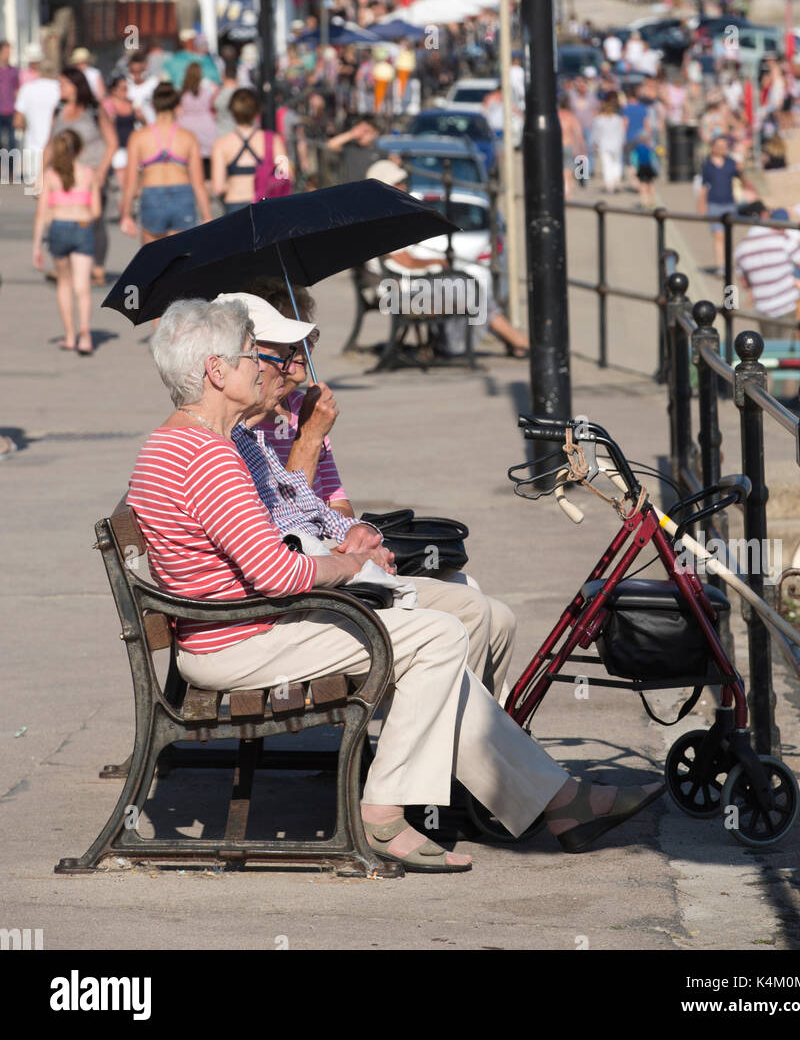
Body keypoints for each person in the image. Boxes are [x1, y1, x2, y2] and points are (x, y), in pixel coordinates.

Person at [127, 296, 664, 871]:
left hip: (244, 627)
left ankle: (554, 800)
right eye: (246, 358)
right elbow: (279, 574)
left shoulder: (188, 443)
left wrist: (345, 552)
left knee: (445, 625)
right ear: (215, 371)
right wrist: (349, 567)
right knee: (435, 637)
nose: (260, 369)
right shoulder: (206, 456)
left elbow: (281, 547)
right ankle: (387, 813)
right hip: (237, 642)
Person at [235, 283, 517, 700]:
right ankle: (463, 740)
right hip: (294, 602)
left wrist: (355, 534)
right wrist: (310, 439)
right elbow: (286, 528)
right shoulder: (244, 434)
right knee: (470, 608)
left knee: (483, 604)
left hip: (321, 567)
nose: (300, 361)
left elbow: (329, 505)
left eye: (306, 343)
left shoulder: (296, 411)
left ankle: (490, 734)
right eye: (289, 350)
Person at [366, 159, 530, 358]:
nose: (404, 187)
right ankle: (509, 342)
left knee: (469, 288)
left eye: (403, 182)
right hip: (401, 292)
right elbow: (405, 262)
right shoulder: (381, 222)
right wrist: (434, 263)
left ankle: (514, 342)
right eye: (397, 183)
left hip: (401, 286)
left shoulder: (376, 218)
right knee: (470, 290)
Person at [45, 68, 116, 288]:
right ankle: (64, 263)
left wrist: (102, 171)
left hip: (92, 174)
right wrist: (40, 173)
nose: (60, 87)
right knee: (60, 216)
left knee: (94, 220)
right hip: (65, 174)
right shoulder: (58, 109)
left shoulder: (94, 109)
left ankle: (98, 268)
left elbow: (112, 142)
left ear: (76, 85)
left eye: (64, 83)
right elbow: (50, 144)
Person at [32, 129, 100, 354]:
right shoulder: (89, 173)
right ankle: (85, 335)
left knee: (64, 282)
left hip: (58, 228)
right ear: (80, 149)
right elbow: (96, 211)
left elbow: (41, 213)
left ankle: (70, 335)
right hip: (82, 227)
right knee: (82, 286)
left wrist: (36, 247)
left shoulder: (50, 176)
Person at [120, 82, 211, 243]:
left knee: (152, 259)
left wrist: (126, 215)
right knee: (182, 258)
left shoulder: (138, 137)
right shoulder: (188, 137)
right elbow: (198, 182)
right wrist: (207, 215)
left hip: (152, 195)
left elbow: (131, 182)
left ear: (154, 106)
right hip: (182, 194)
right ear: (177, 107)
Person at [211, 88, 291, 213]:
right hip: (265, 202)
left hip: (234, 203)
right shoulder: (273, 140)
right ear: (257, 111)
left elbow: (217, 187)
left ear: (232, 111)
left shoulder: (221, 144)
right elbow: (287, 173)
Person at [733, 201, 800, 338]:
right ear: (765, 215)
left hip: (763, 306)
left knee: (770, 348)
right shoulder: (782, 239)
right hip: (787, 302)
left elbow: (744, 283)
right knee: (788, 353)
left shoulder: (741, 250)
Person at [697, 134, 752, 274]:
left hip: (729, 203)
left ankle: (727, 263)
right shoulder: (707, 165)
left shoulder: (731, 162)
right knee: (718, 234)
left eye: (724, 146)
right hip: (714, 203)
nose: (722, 149)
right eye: (719, 146)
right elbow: (704, 187)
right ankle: (721, 265)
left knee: (727, 235)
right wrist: (701, 206)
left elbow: (742, 181)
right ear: (713, 148)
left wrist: (741, 171)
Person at [176, 62, 218, 181]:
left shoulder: (183, 92)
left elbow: (179, 111)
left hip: (187, 127)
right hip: (207, 127)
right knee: (207, 166)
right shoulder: (207, 89)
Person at [101, 74, 141, 195]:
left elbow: (143, 121)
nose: (125, 92)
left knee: (134, 181)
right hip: (116, 148)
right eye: (122, 88)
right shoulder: (107, 104)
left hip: (131, 147)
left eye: (126, 88)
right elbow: (106, 126)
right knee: (122, 183)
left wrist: (139, 113)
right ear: (114, 90)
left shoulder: (131, 104)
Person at [15, 55, 60, 159]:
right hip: (56, 148)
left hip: (32, 147)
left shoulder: (26, 89)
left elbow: (17, 122)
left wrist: (31, 129)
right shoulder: (61, 89)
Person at [590, 93, 627, 194]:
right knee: (617, 163)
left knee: (607, 165)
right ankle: (616, 180)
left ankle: (609, 185)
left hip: (604, 145)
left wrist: (595, 143)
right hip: (616, 144)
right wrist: (623, 142)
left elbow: (596, 133)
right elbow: (622, 132)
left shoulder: (599, 120)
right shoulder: (617, 119)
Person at [124, 54, 158, 126]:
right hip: (134, 127)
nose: (136, 75)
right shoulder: (125, 84)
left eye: (139, 71)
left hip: (153, 125)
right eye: (132, 71)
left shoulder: (154, 82)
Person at [0, 40, 20, 154]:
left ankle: (11, 170)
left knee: (12, 142)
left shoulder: (14, 71)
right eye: (6, 52)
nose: (9, 54)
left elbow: (17, 90)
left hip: (11, 110)